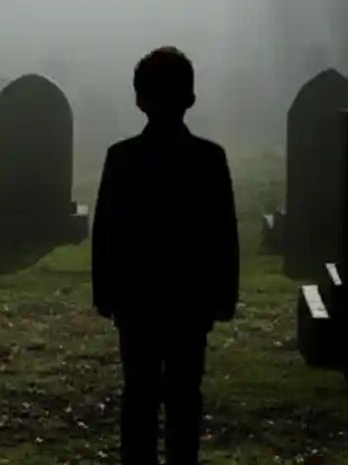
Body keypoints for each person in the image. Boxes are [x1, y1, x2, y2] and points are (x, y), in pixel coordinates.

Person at [92, 46, 240, 465]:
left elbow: (106, 232)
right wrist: (224, 296)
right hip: (189, 299)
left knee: (139, 393)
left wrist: (105, 292)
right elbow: (223, 235)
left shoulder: (122, 158)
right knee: (184, 395)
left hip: (137, 298)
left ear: (139, 98)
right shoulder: (209, 158)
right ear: (190, 97)